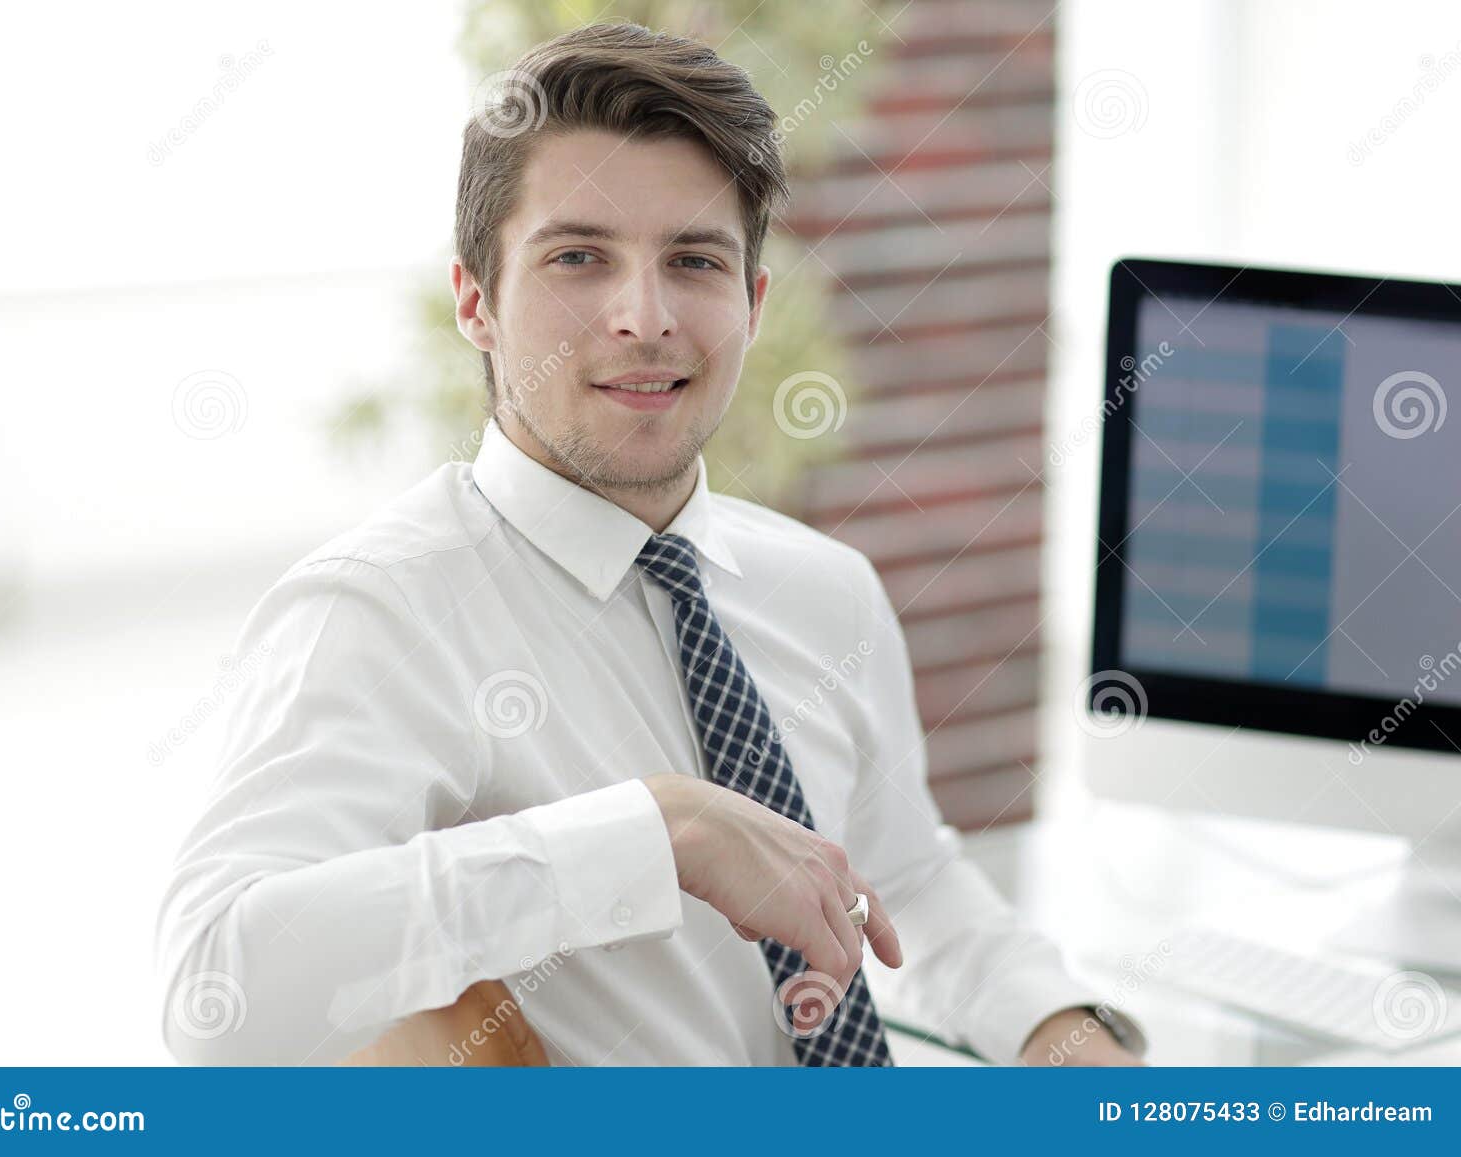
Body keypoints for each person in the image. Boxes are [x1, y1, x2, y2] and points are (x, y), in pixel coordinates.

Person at [155, 21, 1147, 1067]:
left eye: (694, 260)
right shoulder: (380, 610)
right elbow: (215, 994)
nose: (644, 316)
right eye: (579, 258)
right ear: (476, 302)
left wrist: (1058, 1025)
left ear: (751, 305)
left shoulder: (828, 589)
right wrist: (655, 835)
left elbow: (905, 882)